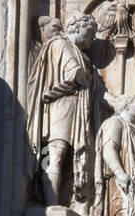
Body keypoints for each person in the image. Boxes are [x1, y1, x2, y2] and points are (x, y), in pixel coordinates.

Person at [26, 13, 97, 206]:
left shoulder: (75, 51)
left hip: (70, 105)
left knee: (59, 154)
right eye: (90, 33)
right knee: (55, 151)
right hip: (62, 103)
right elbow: (74, 74)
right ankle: (51, 203)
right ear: (77, 28)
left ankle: (52, 199)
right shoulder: (61, 44)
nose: (92, 40)